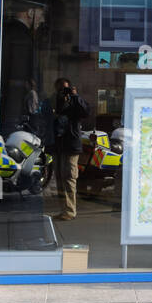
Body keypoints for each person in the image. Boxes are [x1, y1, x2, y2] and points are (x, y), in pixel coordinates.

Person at [51, 78, 90, 222]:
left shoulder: (75, 102)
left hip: (71, 145)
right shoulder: (54, 101)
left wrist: (75, 96)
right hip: (58, 145)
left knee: (69, 178)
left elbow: (85, 111)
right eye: (60, 89)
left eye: (65, 88)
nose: (63, 91)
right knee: (60, 179)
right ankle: (64, 210)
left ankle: (70, 211)